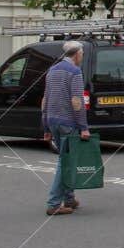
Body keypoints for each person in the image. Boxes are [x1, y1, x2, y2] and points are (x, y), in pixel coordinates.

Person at [42, 40, 90, 216]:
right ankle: (54, 203)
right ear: (77, 54)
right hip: (68, 122)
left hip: (52, 119)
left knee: (67, 160)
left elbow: (45, 99)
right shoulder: (75, 72)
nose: (82, 57)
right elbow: (77, 102)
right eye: (82, 54)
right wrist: (83, 127)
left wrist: (45, 127)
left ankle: (69, 198)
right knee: (65, 162)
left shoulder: (52, 70)